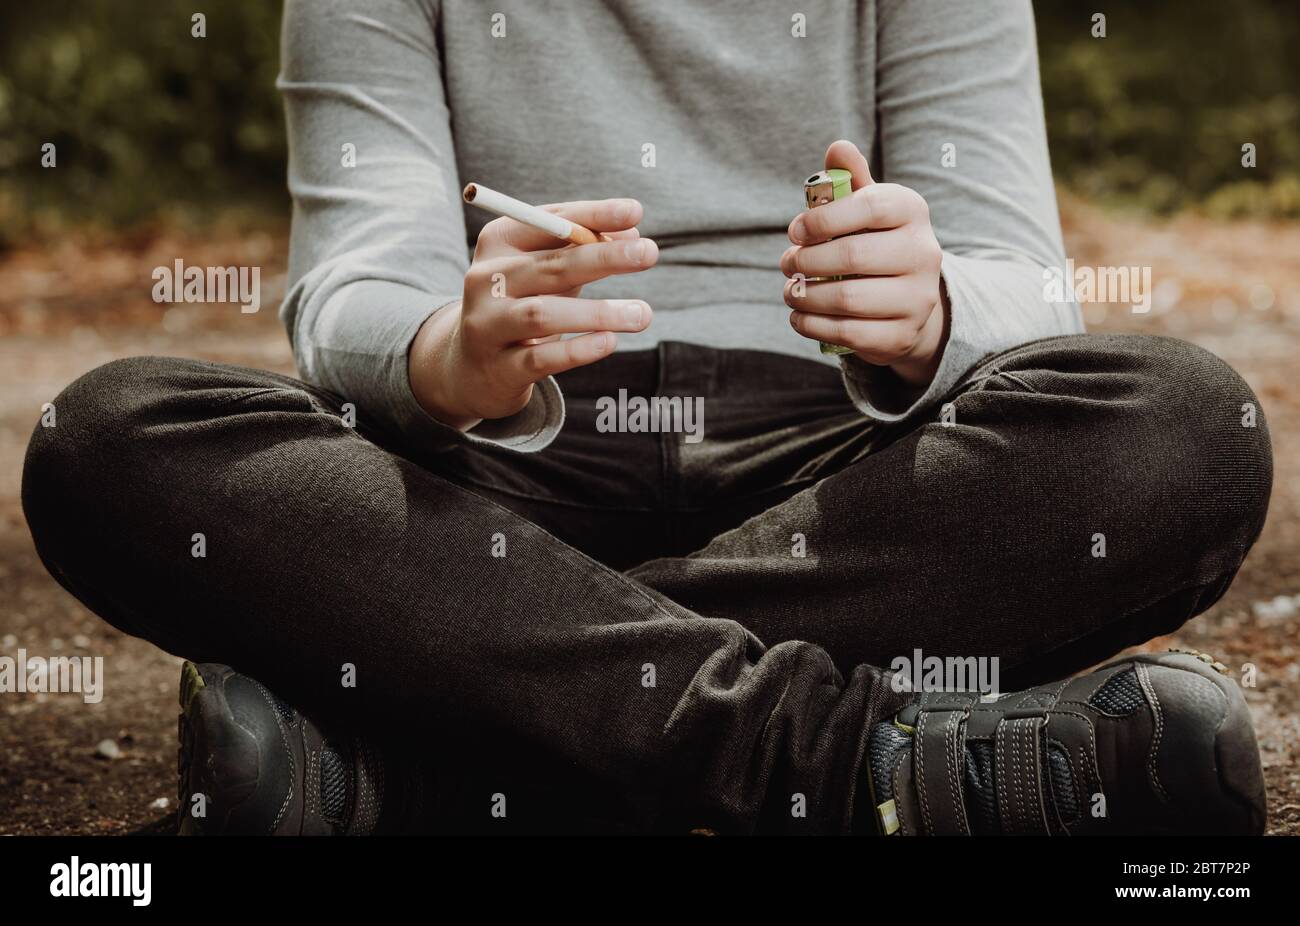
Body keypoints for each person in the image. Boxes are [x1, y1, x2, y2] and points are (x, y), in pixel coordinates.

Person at [22, 0, 1271, 835]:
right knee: (106, 437)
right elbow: (353, 280)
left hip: (824, 480)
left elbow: (1022, 279)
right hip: (492, 477)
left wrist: (935, 310)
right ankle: (848, 764)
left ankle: (440, 750)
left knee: (1188, 426)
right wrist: (441, 353)